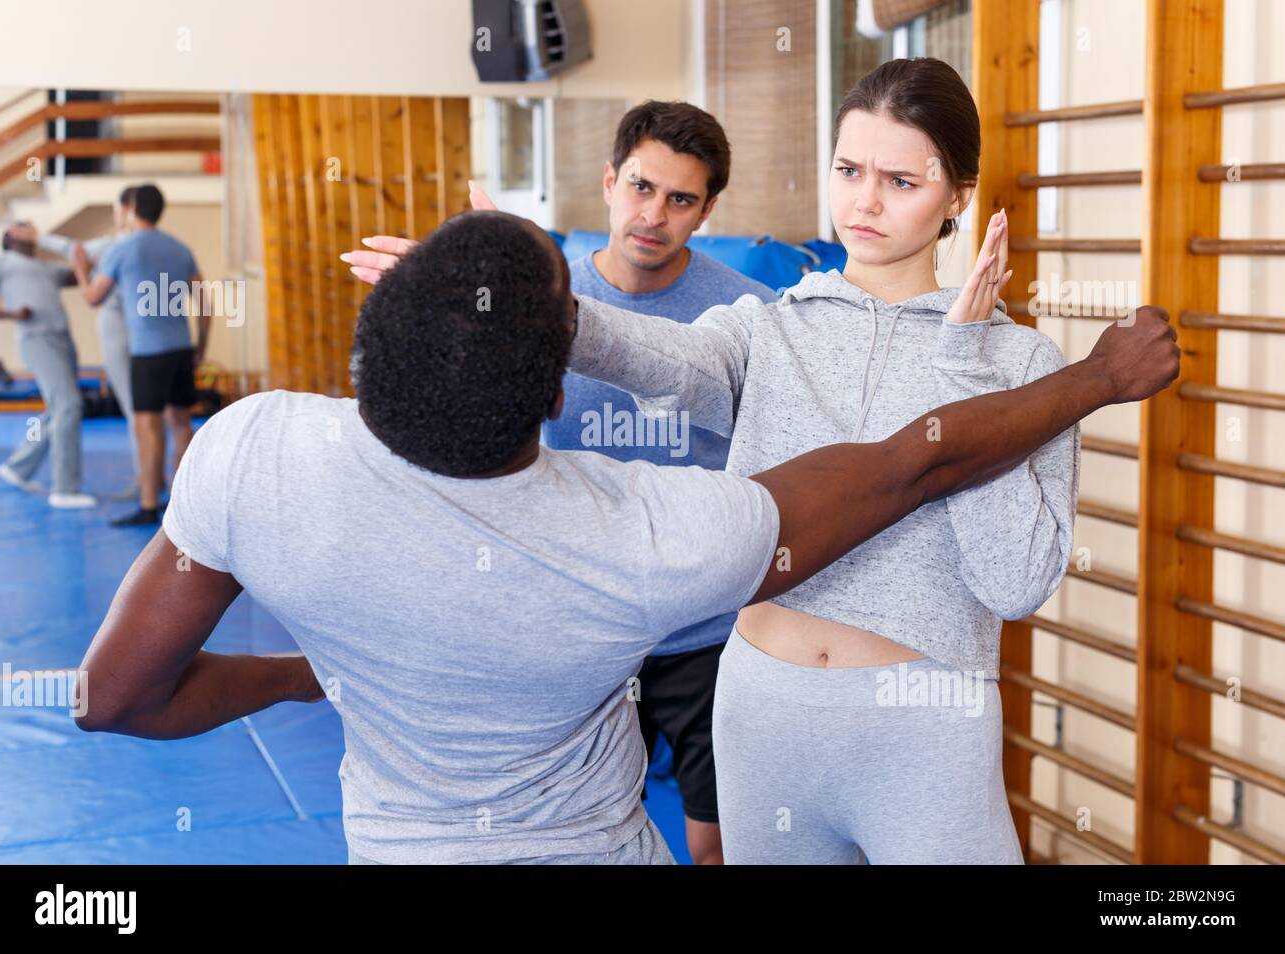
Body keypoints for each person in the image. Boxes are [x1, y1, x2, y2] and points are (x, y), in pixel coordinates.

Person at [75, 209, 1177, 866]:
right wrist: (1100, 375)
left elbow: (112, 699)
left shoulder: (251, 448)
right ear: (557, 386)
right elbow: (913, 465)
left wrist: (309, 676)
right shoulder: (647, 538)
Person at [442, 57, 1084, 863]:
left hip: (922, 728)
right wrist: (530, 304)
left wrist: (963, 367)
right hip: (762, 715)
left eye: (901, 181)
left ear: (958, 194)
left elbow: (1016, 583)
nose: (866, 202)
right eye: (849, 170)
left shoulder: (1020, 363)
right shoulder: (767, 328)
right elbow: (654, 356)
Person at [538, 101, 776, 865]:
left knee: (721, 850)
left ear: (707, 210)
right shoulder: (544, 307)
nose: (653, 215)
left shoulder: (749, 315)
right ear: (609, 181)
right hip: (588, 625)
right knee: (585, 843)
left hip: (710, 628)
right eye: (641, 187)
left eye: (680, 199)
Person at [72, 183, 210, 527]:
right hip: (180, 347)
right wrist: (201, 345)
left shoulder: (122, 249)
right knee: (181, 424)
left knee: (147, 425)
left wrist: (79, 268)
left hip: (148, 352)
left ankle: (150, 506)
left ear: (131, 207)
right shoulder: (180, 249)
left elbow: (93, 297)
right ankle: (182, 506)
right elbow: (204, 302)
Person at [0, 221, 97, 508]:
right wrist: (10, 313)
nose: (27, 227)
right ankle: (64, 489)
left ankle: (17, 467)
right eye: (20, 225)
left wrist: (46, 238)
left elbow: (84, 266)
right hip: (36, 339)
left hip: (63, 339)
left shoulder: (48, 268)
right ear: (9, 236)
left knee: (59, 408)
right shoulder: (1, 261)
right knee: (69, 404)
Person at [40, 185, 141, 500]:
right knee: (147, 410)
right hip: (143, 333)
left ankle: (146, 481)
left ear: (125, 208)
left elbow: (76, 253)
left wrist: (40, 240)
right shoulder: (151, 244)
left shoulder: (115, 245)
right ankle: (152, 477)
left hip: (119, 332)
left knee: (135, 409)